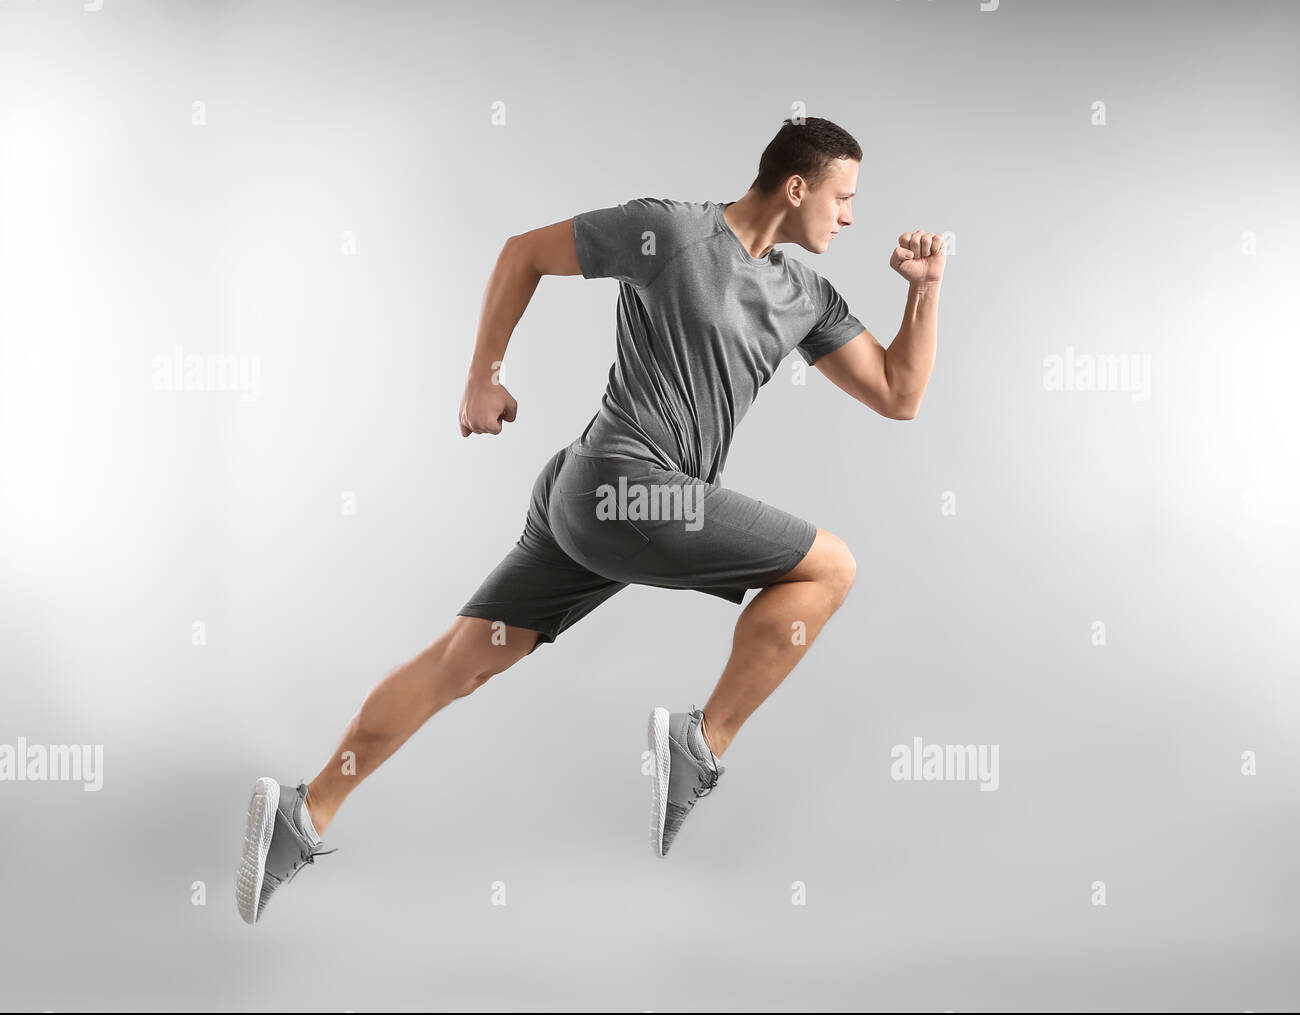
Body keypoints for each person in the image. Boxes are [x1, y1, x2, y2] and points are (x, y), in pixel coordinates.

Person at [235, 116, 945, 925]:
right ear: (798, 186)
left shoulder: (805, 295)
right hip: (622, 485)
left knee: (459, 662)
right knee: (832, 566)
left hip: (601, 504)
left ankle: (303, 812)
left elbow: (899, 392)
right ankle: (700, 743)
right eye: (843, 197)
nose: (850, 217)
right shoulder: (669, 232)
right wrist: (482, 378)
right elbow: (523, 253)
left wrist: (923, 290)